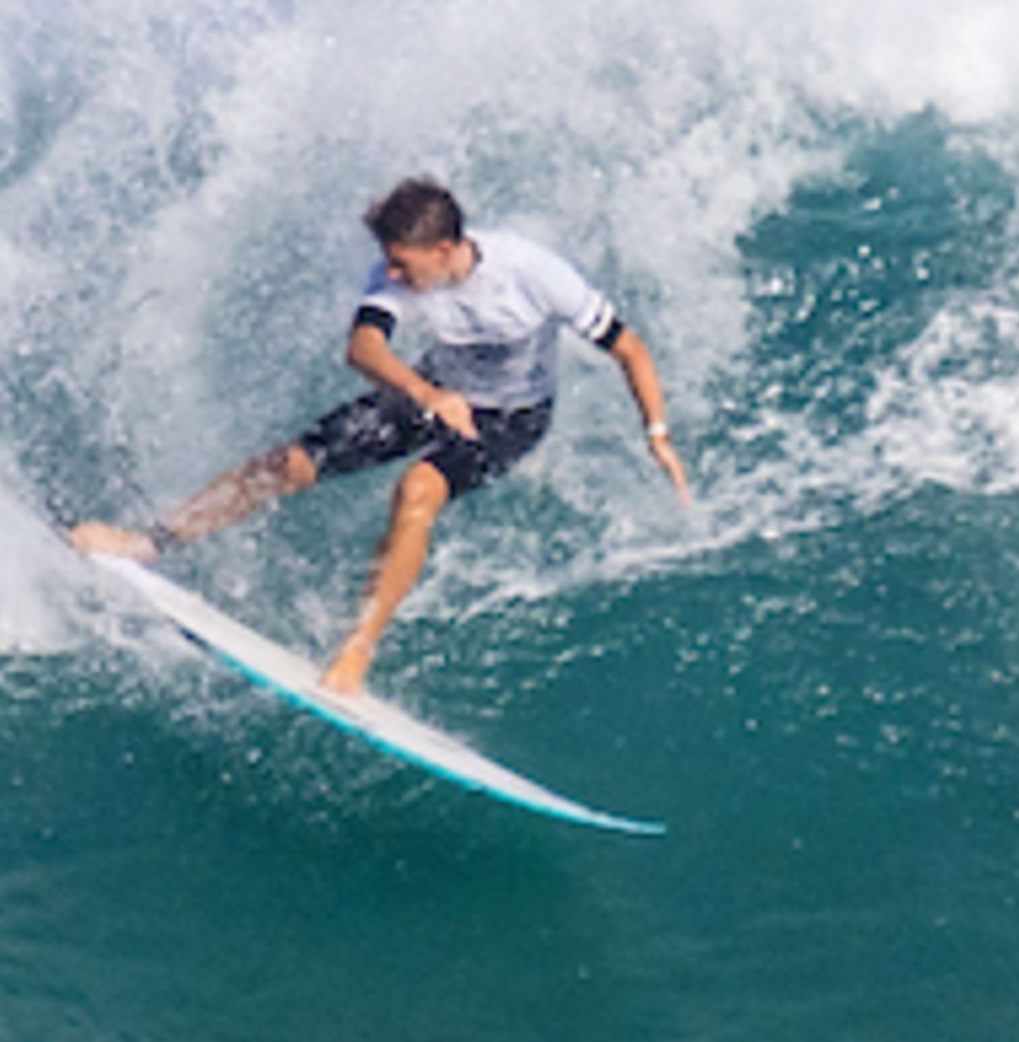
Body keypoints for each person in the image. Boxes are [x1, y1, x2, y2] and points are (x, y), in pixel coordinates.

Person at [70, 177, 690, 692]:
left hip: (509, 419)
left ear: (446, 249)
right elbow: (363, 346)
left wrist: (656, 433)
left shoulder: (534, 274)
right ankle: (148, 542)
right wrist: (427, 395)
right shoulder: (394, 275)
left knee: (419, 490)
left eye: (403, 262)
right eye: (389, 259)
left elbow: (629, 348)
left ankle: (357, 651)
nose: (391, 271)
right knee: (290, 464)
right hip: (430, 391)